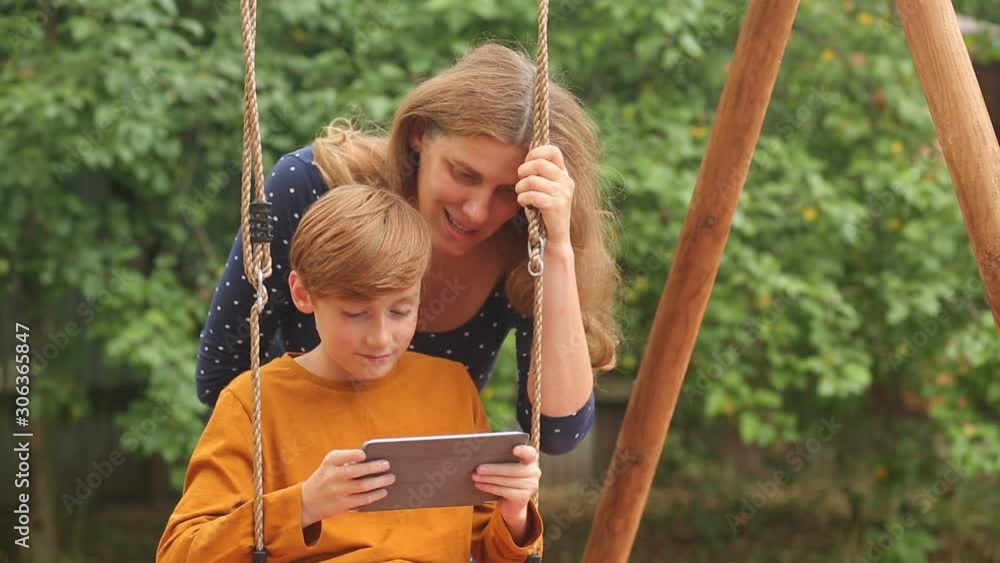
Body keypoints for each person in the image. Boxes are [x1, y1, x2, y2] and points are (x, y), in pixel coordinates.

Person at [196, 42, 621, 455]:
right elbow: (220, 376)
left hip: (423, 508)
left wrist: (559, 250)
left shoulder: (524, 248)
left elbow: (557, 432)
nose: (476, 211)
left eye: (508, 191)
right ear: (420, 135)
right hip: (295, 481)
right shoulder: (311, 188)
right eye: (464, 174)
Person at [159, 185, 543, 562]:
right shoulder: (251, 401)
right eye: (356, 314)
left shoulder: (451, 386)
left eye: (400, 311)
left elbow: (488, 548)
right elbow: (180, 553)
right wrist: (304, 505)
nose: (380, 338)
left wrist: (515, 516)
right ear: (303, 294)